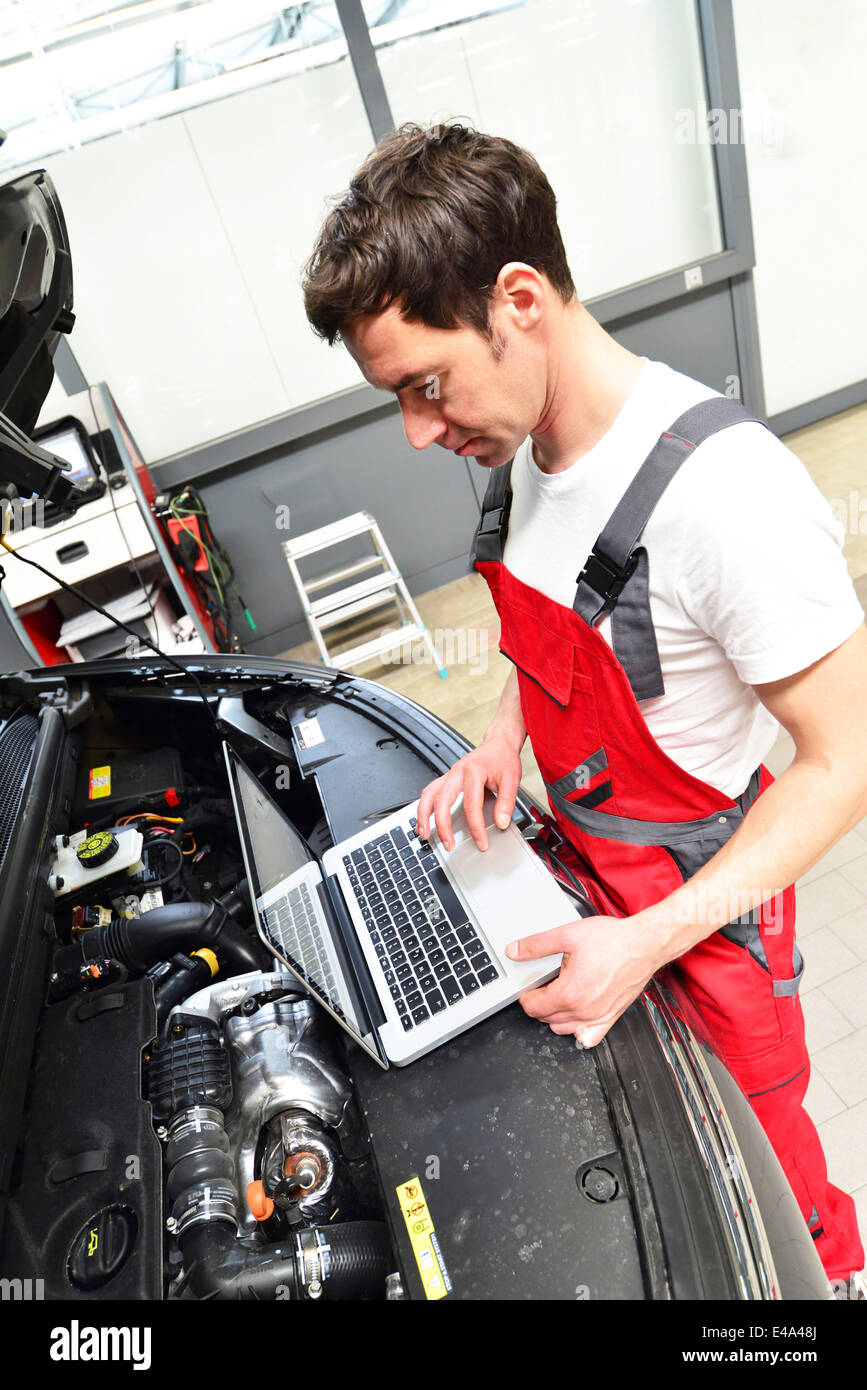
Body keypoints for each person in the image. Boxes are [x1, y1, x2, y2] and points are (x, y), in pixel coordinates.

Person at [303, 121, 867, 1287]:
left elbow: (847, 760)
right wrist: (509, 735)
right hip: (589, 886)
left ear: (517, 301)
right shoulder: (528, 457)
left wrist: (648, 939)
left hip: (706, 937)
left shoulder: (727, 493)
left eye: (425, 385)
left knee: (764, 1207)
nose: (419, 431)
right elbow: (563, 627)